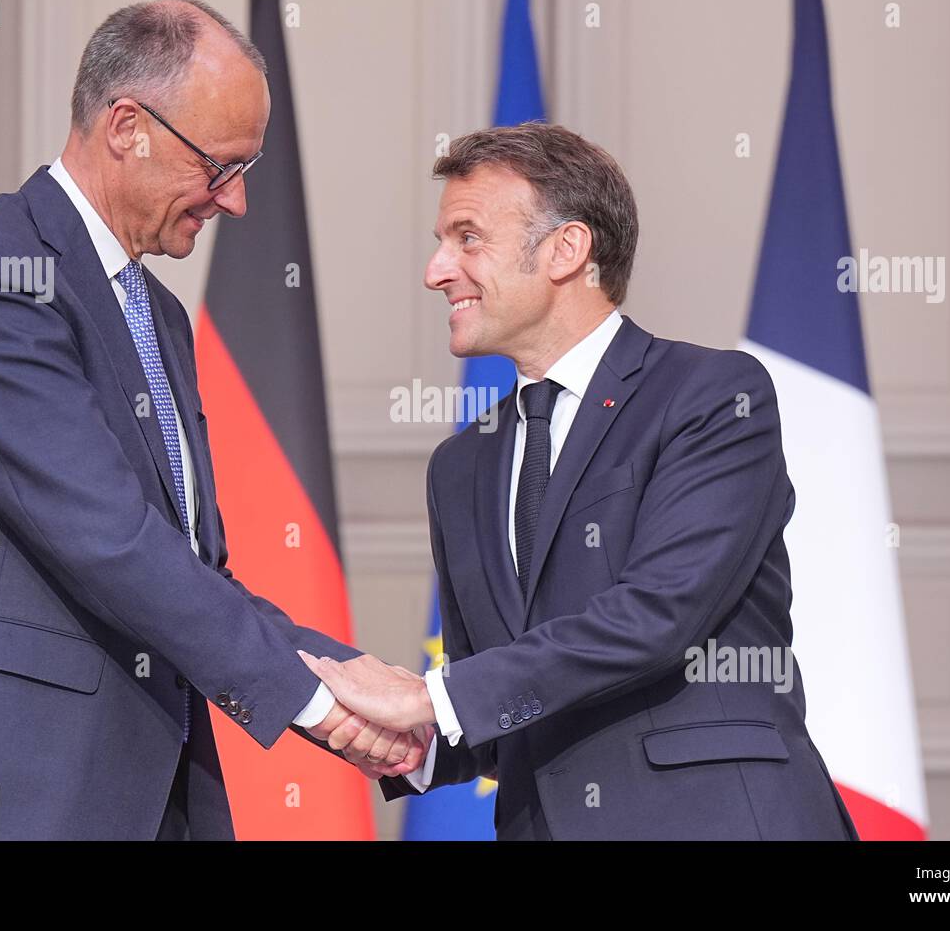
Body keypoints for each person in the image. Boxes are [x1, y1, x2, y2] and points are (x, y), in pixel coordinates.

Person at [0, 0, 425, 841]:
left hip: (146, 787)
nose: (234, 203)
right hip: (9, 788)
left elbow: (189, 563)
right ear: (128, 126)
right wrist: (316, 700)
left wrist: (344, 671)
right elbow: (108, 537)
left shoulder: (155, 313)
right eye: (220, 167)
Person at [301, 122, 860, 840]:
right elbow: (499, 696)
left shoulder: (713, 395)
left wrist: (429, 700)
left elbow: (657, 615)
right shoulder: (461, 466)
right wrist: (402, 739)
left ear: (567, 250)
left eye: (467, 238)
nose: (436, 270)